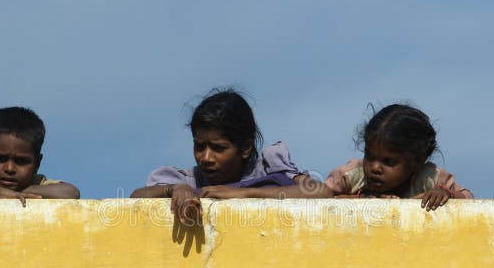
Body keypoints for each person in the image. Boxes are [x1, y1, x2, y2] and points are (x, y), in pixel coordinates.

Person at [131, 89, 330, 223]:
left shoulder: (270, 168)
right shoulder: (188, 181)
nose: (206, 157)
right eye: (199, 146)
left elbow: (322, 192)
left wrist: (246, 193)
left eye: (218, 148)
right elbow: (136, 197)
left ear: (244, 148)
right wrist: (175, 190)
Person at [324, 103, 472, 211]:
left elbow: (469, 200)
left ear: (417, 161)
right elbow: (319, 197)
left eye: (388, 162)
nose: (375, 167)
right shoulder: (352, 175)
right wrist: (355, 200)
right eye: (369, 156)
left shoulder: (430, 179)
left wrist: (446, 194)